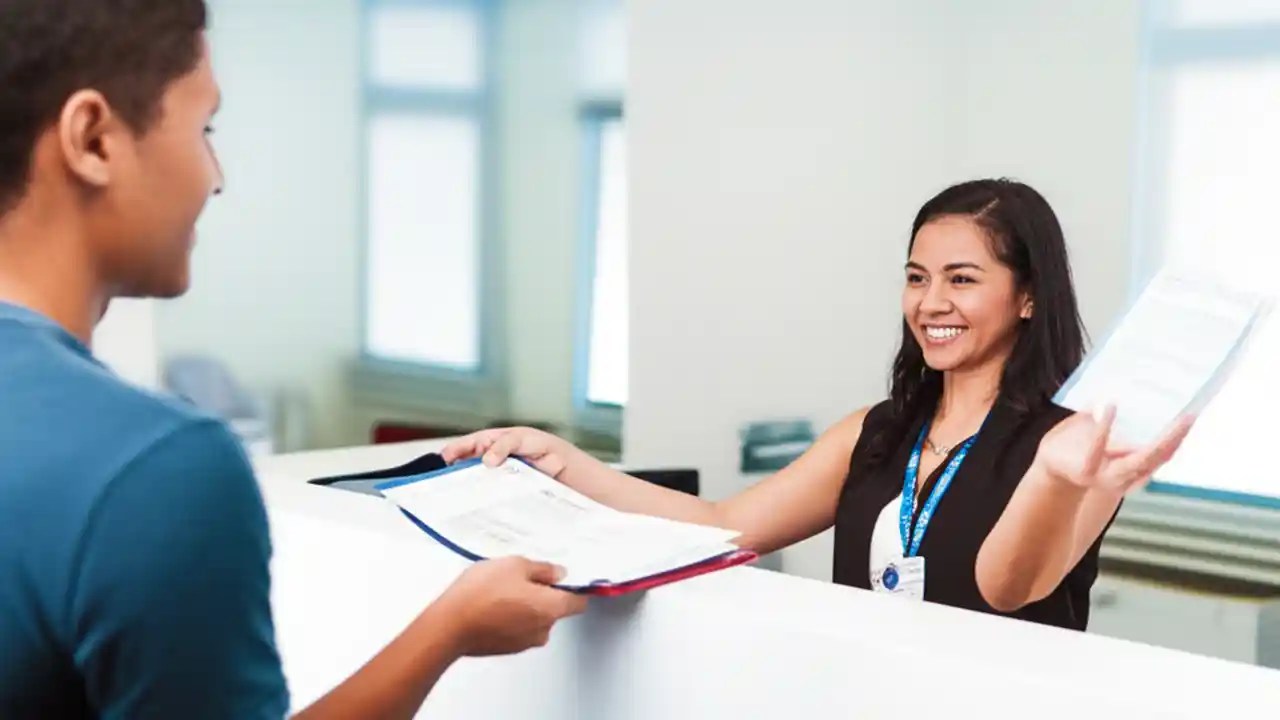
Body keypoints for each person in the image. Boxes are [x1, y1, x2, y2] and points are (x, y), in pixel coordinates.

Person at [0, 1, 585, 718]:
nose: (215, 177)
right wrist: (449, 630)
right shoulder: (153, 469)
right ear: (92, 139)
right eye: (203, 129)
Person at [446, 178, 1195, 630]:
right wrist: (567, 464)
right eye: (916, 276)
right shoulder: (878, 431)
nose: (931, 301)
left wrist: (1055, 478)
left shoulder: (1080, 449)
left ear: (1028, 295)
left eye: (962, 279)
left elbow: (1009, 590)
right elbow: (724, 527)